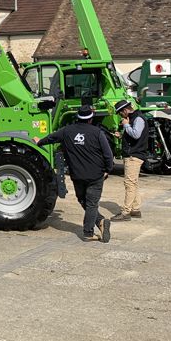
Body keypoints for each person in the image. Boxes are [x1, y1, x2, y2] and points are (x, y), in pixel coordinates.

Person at [37, 104, 112, 242]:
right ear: (90, 119)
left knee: (83, 200)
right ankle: (89, 232)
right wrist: (108, 169)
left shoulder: (67, 131)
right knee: (91, 203)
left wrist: (38, 142)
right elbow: (108, 154)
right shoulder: (97, 133)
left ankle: (100, 221)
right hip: (96, 175)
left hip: (77, 175)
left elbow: (51, 138)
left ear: (78, 117)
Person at [113, 99, 146, 220]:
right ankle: (135, 209)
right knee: (133, 183)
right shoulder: (135, 118)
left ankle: (125, 212)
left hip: (134, 156)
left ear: (125, 110)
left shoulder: (138, 119)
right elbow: (134, 136)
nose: (120, 116)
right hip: (134, 154)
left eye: (120, 113)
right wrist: (122, 135)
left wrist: (126, 124)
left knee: (129, 184)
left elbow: (136, 134)